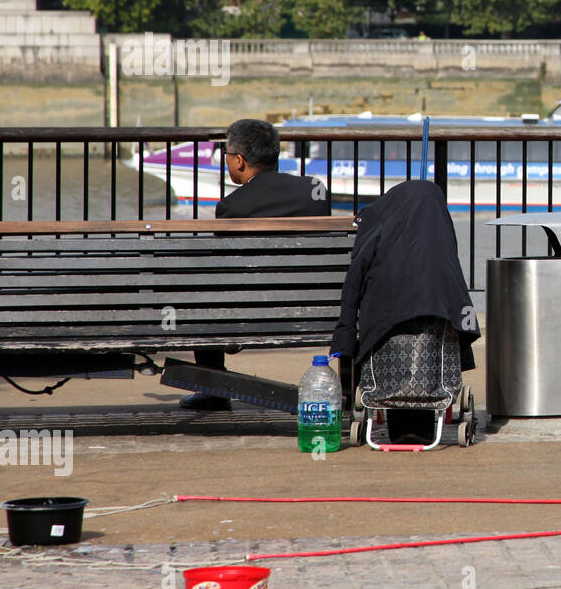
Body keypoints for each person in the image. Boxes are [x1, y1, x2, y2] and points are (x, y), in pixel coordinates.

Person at [180, 118, 331, 410]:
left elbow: (223, 268)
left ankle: (213, 388)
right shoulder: (315, 192)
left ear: (239, 161)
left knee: (202, 286)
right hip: (318, 308)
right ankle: (346, 394)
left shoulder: (232, 207)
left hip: (248, 314)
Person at [330, 180, 480, 444]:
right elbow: (463, 314)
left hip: (383, 345)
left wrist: (345, 339)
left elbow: (353, 285)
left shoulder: (377, 231)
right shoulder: (443, 259)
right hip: (434, 374)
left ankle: (392, 417)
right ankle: (426, 419)